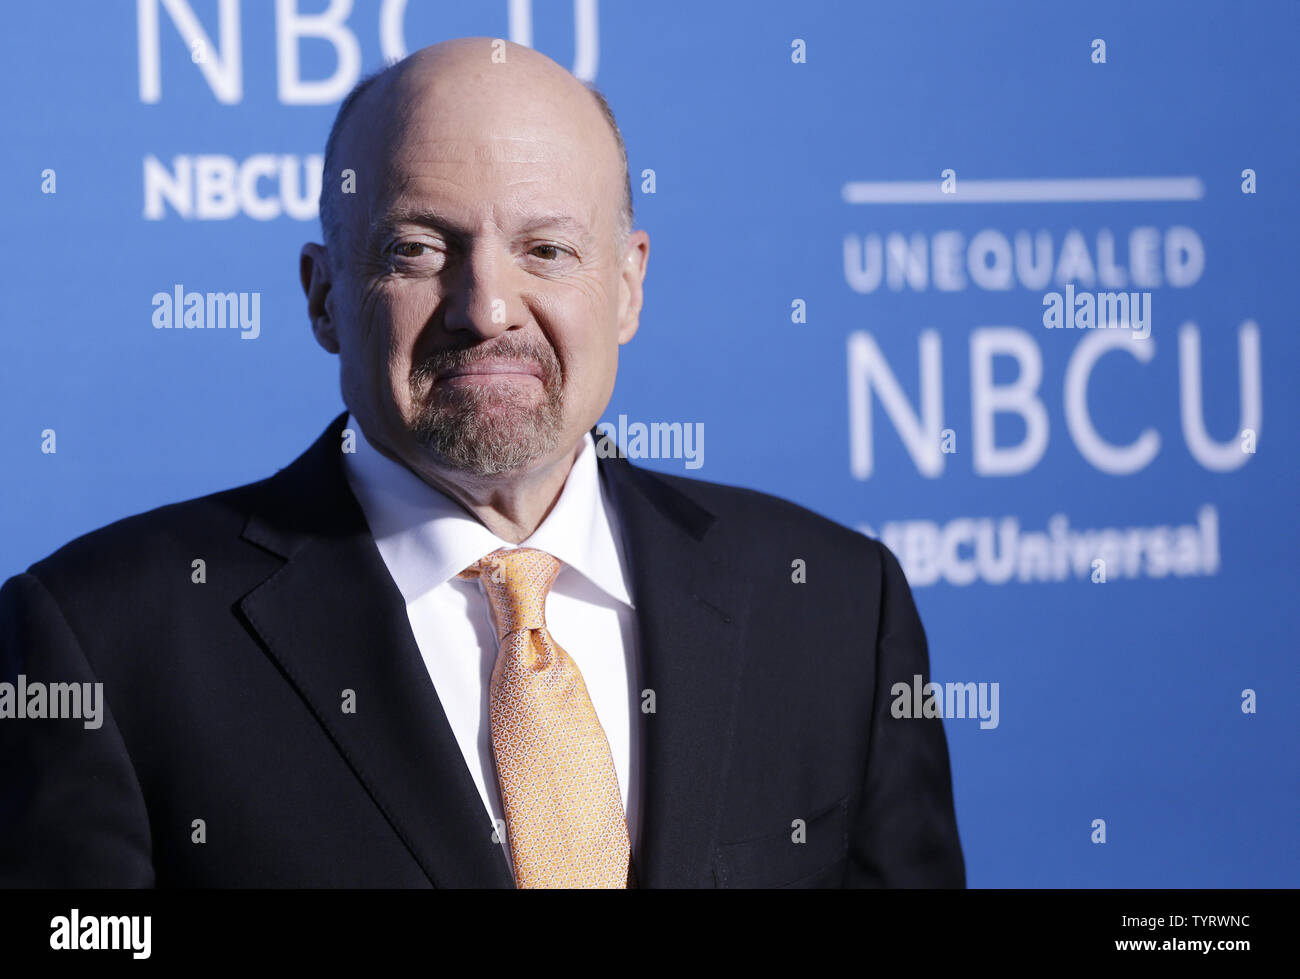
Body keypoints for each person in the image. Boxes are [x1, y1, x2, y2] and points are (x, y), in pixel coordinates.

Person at [0, 37, 963, 888]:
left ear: (627, 286)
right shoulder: (101, 639)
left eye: (546, 249)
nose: (487, 308)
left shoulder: (836, 603)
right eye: (419, 250)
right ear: (324, 293)